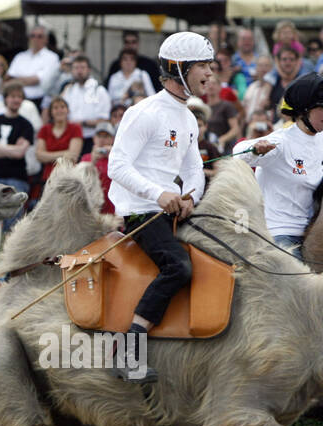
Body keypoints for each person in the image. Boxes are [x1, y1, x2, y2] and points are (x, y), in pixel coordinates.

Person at [107, 31, 213, 383]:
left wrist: (190, 198)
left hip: (167, 209)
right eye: (203, 66)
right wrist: (159, 195)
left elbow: (193, 169)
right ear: (179, 69)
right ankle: (128, 350)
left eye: (210, 66)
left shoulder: (188, 118)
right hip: (141, 212)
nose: (210, 74)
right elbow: (116, 167)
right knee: (178, 268)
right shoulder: (143, 113)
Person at [235, 72, 323, 261]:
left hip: (317, 232)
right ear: (305, 109)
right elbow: (238, 153)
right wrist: (255, 150)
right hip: (281, 232)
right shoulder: (280, 141)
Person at [0, 81, 34, 222]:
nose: (16, 100)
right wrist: (11, 148)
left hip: (17, 179)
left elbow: (19, 153)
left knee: (13, 222)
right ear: (5, 99)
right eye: (12, 96)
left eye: (19, 97)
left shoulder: (26, 125)